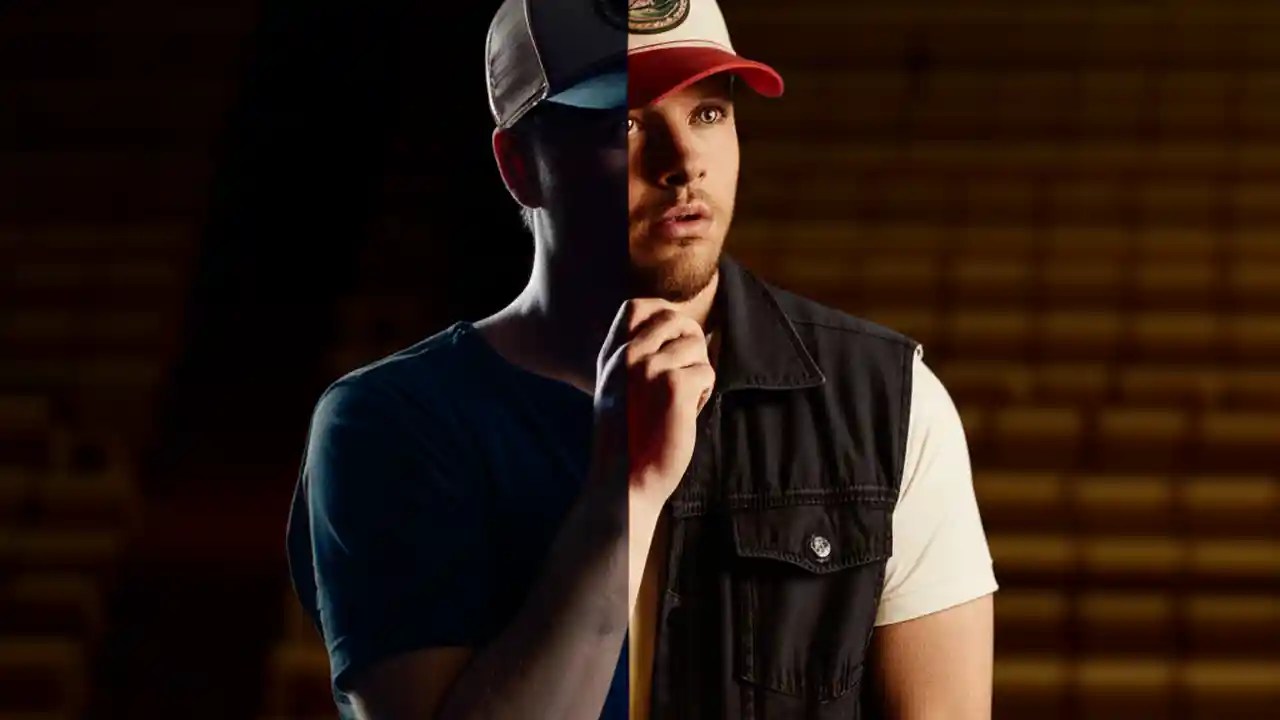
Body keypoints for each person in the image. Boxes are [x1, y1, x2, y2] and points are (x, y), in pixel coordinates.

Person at [285, 0, 998, 718]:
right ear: (519, 167)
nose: (683, 162)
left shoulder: (887, 400)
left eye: (709, 114)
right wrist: (617, 504)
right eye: (622, 123)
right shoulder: (389, 425)